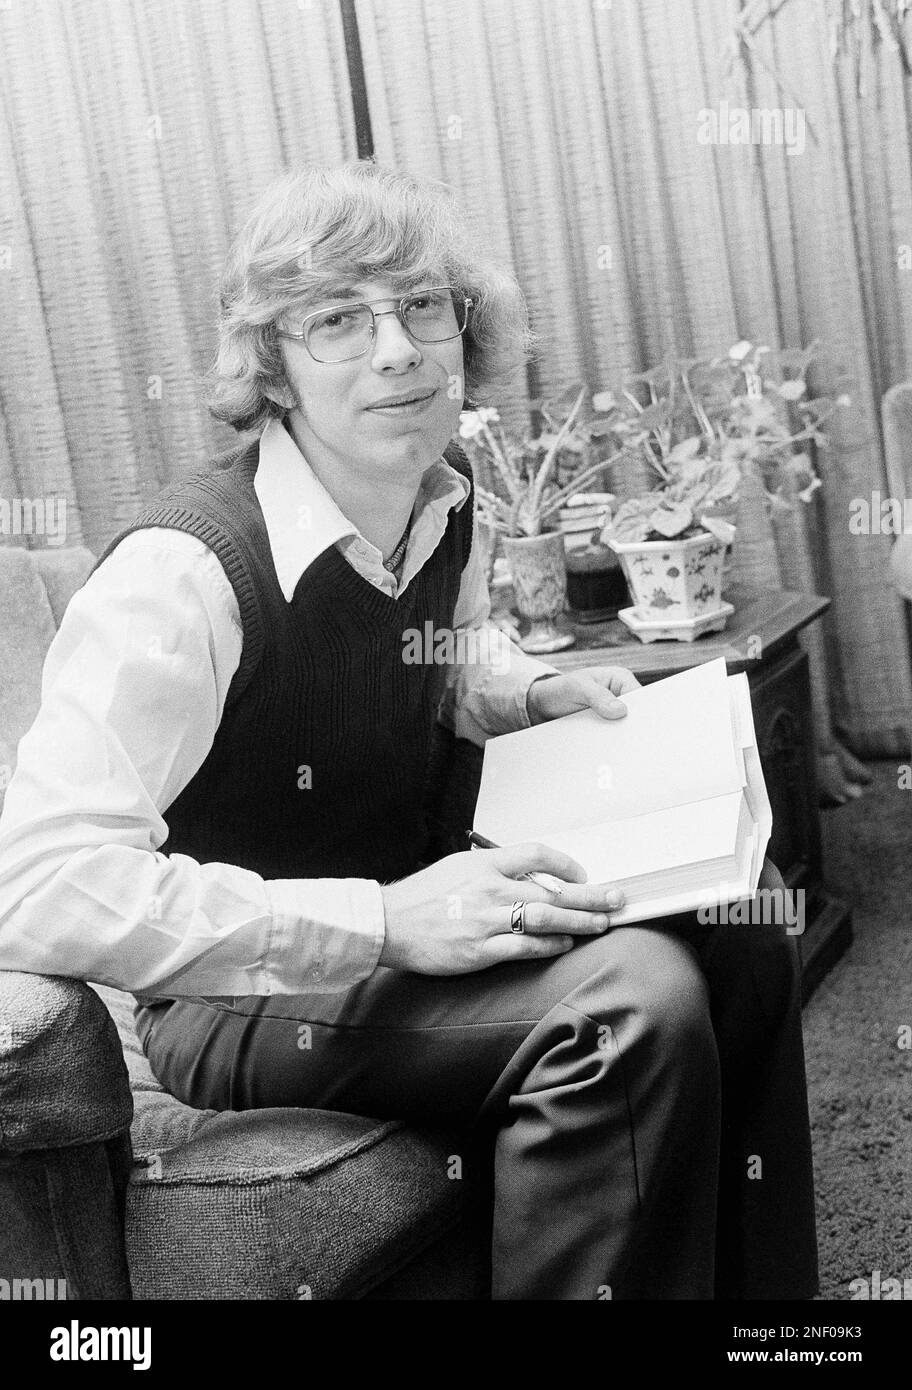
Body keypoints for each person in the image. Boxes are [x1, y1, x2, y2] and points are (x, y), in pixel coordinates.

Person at [0, 160, 817, 1299]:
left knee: (740, 911)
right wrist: (381, 920)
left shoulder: (445, 495)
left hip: (434, 904)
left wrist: (526, 690)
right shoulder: (179, 578)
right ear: (272, 368)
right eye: (339, 318)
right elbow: (35, 887)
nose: (398, 350)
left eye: (423, 306)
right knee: (632, 1001)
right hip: (240, 999)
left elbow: (437, 651)